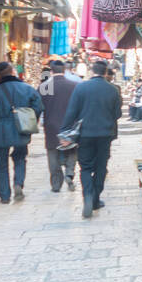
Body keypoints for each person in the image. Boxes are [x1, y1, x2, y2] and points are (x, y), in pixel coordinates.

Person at [61, 58, 123, 218]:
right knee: (101, 166)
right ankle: (96, 198)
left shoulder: (81, 88)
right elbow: (118, 114)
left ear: (92, 71)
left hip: (85, 134)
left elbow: (71, 112)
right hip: (105, 134)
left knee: (86, 167)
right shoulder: (113, 89)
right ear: (105, 72)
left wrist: (64, 132)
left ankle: (88, 196)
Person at [0, 61, 44, 204]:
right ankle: (18, 183)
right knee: (20, 158)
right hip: (21, 128)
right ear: (13, 71)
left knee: (1, 164)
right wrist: (31, 118)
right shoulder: (27, 89)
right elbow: (38, 106)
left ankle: (4, 196)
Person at [40, 59, 80, 192]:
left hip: (51, 125)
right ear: (64, 70)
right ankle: (69, 173)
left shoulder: (46, 86)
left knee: (53, 153)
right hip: (70, 126)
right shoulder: (74, 85)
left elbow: (39, 106)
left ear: (51, 71)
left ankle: (56, 184)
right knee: (72, 150)